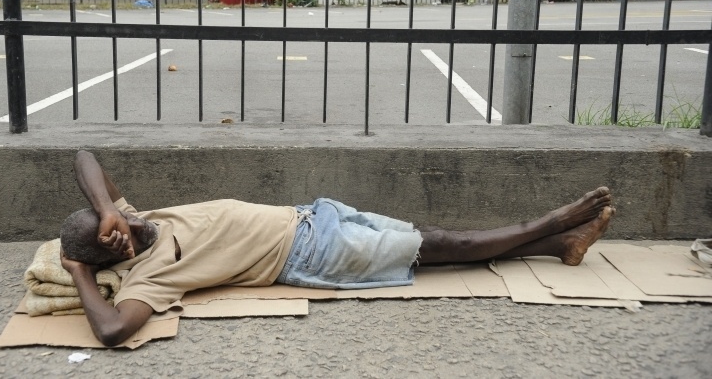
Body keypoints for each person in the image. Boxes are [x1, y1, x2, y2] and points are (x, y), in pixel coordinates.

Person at [60, 150, 615, 346]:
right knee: (443, 245)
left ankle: (559, 244)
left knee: (431, 241)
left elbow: (84, 157)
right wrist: (79, 271)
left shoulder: (140, 217)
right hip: (313, 256)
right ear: (118, 256)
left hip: (312, 215)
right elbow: (110, 331)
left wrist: (109, 208)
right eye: (117, 235)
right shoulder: (148, 279)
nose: (127, 224)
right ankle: (552, 221)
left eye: (117, 217)